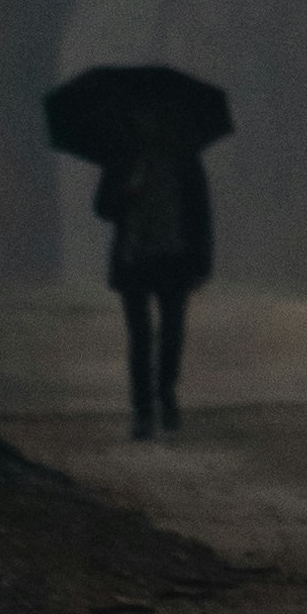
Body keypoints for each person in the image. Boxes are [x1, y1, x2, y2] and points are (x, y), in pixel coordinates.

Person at [95, 123, 213, 437]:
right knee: (140, 335)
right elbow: (102, 207)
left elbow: (200, 210)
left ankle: (166, 393)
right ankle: (143, 410)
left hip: (175, 259)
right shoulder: (120, 157)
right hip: (134, 260)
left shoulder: (186, 156)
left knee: (172, 331)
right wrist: (126, 193)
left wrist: (202, 262)